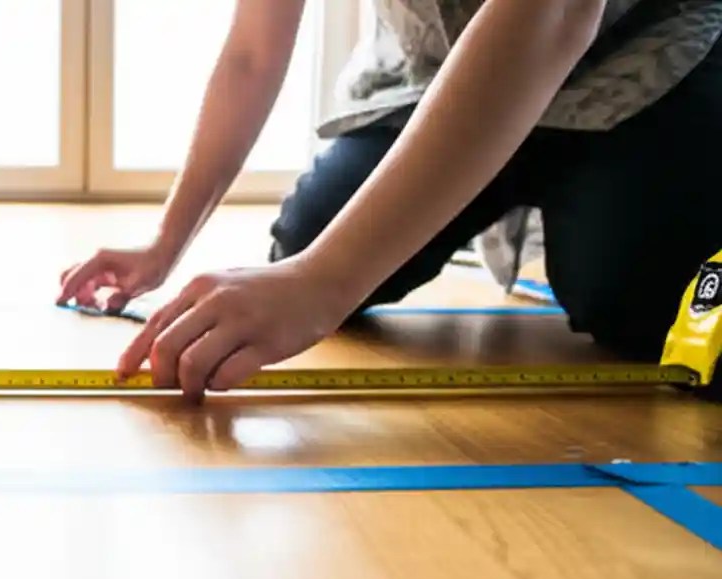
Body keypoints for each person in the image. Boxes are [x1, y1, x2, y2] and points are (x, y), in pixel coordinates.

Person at [56, 0, 722, 400]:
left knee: (640, 304)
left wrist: (319, 285)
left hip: (646, 67)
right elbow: (254, 53)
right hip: (433, 75)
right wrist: (166, 244)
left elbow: (550, 15)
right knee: (308, 236)